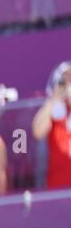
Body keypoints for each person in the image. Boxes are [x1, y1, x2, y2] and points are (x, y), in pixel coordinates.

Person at [33, 61, 71, 190]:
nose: (68, 85)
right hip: (57, 190)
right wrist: (55, 98)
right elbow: (38, 132)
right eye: (63, 82)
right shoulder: (53, 113)